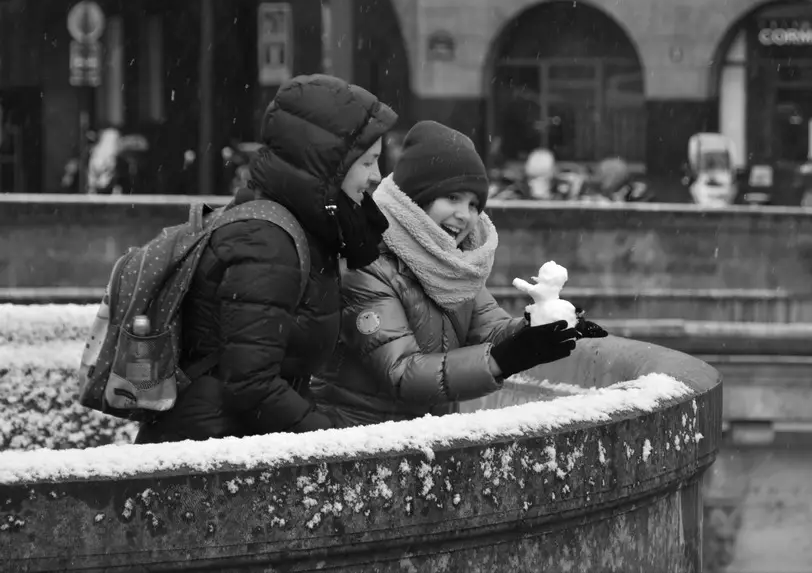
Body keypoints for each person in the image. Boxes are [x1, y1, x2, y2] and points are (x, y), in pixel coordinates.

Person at [134, 74, 398, 444]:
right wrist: (335, 441)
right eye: (369, 162)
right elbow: (250, 385)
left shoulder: (303, 228)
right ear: (329, 163)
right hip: (207, 458)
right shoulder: (266, 240)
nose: (376, 176)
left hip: (232, 446)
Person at [311, 121, 606, 428]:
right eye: (452, 198)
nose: (465, 215)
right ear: (415, 199)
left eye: (474, 204)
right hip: (360, 440)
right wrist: (501, 360)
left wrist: (541, 323)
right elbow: (401, 372)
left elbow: (490, 329)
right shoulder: (367, 262)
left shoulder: (453, 264)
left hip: (424, 437)